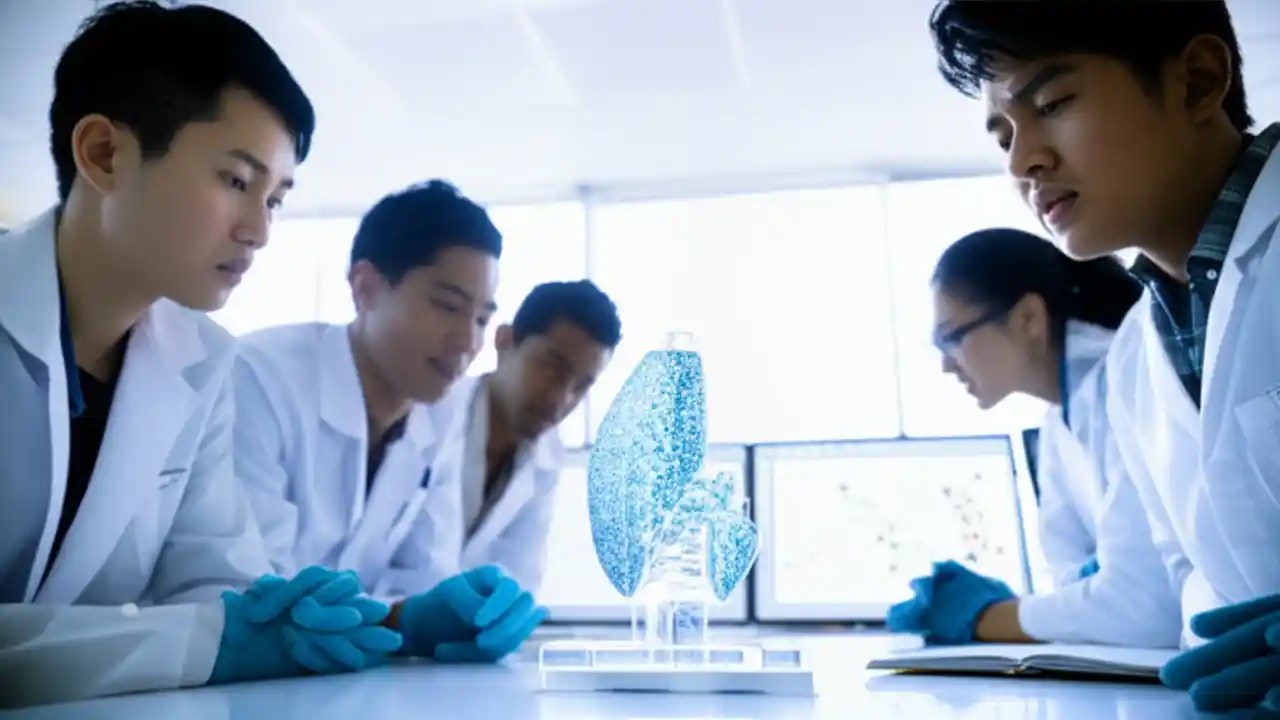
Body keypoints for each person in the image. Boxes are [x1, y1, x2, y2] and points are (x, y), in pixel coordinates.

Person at [0, 1, 411, 707]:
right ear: (104, 154)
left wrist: (276, 619)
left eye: (276, 199)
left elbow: (213, 586)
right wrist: (195, 641)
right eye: (235, 181)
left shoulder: (204, 365)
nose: (258, 231)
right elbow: (199, 636)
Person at [929, 0, 1280, 713]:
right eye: (1004, 138)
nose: (1026, 161)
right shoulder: (1136, 358)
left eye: (1054, 102)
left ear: (1198, 81)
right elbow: (1191, 592)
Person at [234, 180, 547, 662]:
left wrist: (464, 612)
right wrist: (401, 619)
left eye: (482, 320)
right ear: (367, 288)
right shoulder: (259, 380)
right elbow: (253, 594)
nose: (467, 341)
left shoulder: (442, 412)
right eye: (447, 306)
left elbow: (426, 579)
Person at [886, 228, 1179, 649]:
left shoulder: (1127, 381)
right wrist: (1076, 600)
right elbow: (1071, 587)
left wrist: (984, 617)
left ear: (1028, 318)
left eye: (951, 338)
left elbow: (1141, 608)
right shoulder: (1059, 421)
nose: (947, 367)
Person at [435, 280, 620, 592]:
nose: (562, 398)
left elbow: (518, 579)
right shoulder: (434, 413)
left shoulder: (546, 458)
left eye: (581, 386)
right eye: (552, 367)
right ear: (505, 341)